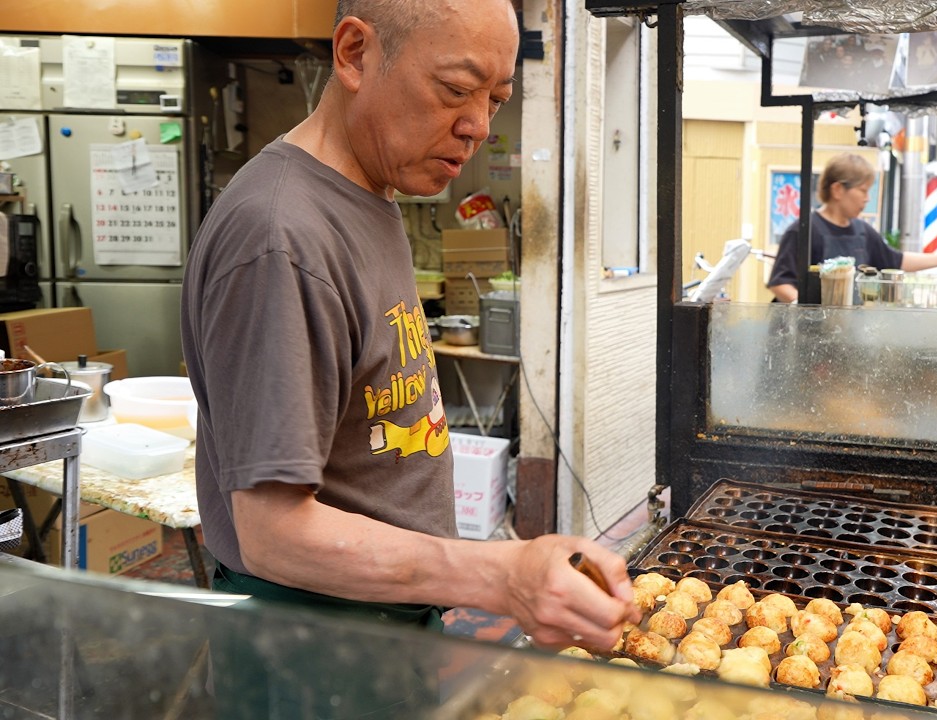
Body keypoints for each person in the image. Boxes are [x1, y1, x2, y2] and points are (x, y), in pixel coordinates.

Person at [181, 0, 639, 709]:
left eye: (496, 98)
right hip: (307, 645)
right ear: (356, 53)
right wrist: (501, 575)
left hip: (383, 625)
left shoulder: (371, 194)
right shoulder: (280, 238)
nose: (478, 126)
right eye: (455, 90)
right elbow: (273, 534)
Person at [766, 153, 937, 303]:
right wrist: (811, 317)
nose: (867, 198)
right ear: (838, 189)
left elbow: (896, 260)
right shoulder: (804, 231)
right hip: (808, 340)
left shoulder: (862, 231)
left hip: (845, 335)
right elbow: (780, 282)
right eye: (863, 190)